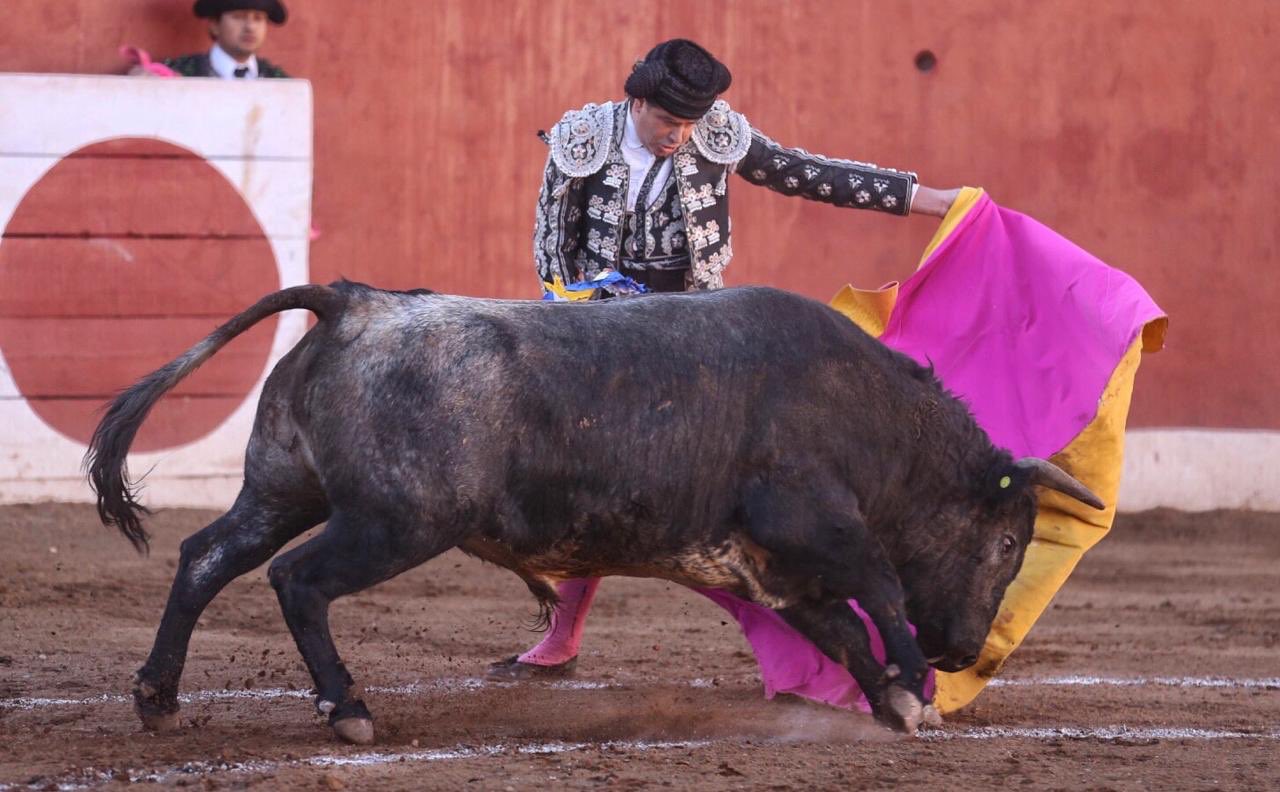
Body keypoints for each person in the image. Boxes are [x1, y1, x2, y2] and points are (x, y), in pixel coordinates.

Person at [497, 38, 961, 679]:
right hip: (596, 335)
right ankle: (564, 635)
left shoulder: (716, 135)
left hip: (695, 338)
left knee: (741, 488)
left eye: (689, 124)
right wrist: (592, 323)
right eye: (667, 122)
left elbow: (809, 174)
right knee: (592, 483)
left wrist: (926, 199)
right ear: (637, 101)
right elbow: (553, 252)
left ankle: (817, 640)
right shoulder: (581, 140)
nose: (679, 137)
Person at [148, 0, 290, 79]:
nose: (250, 27)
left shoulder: (280, 81)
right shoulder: (179, 74)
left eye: (258, 18)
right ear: (215, 25)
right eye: (238, 17)